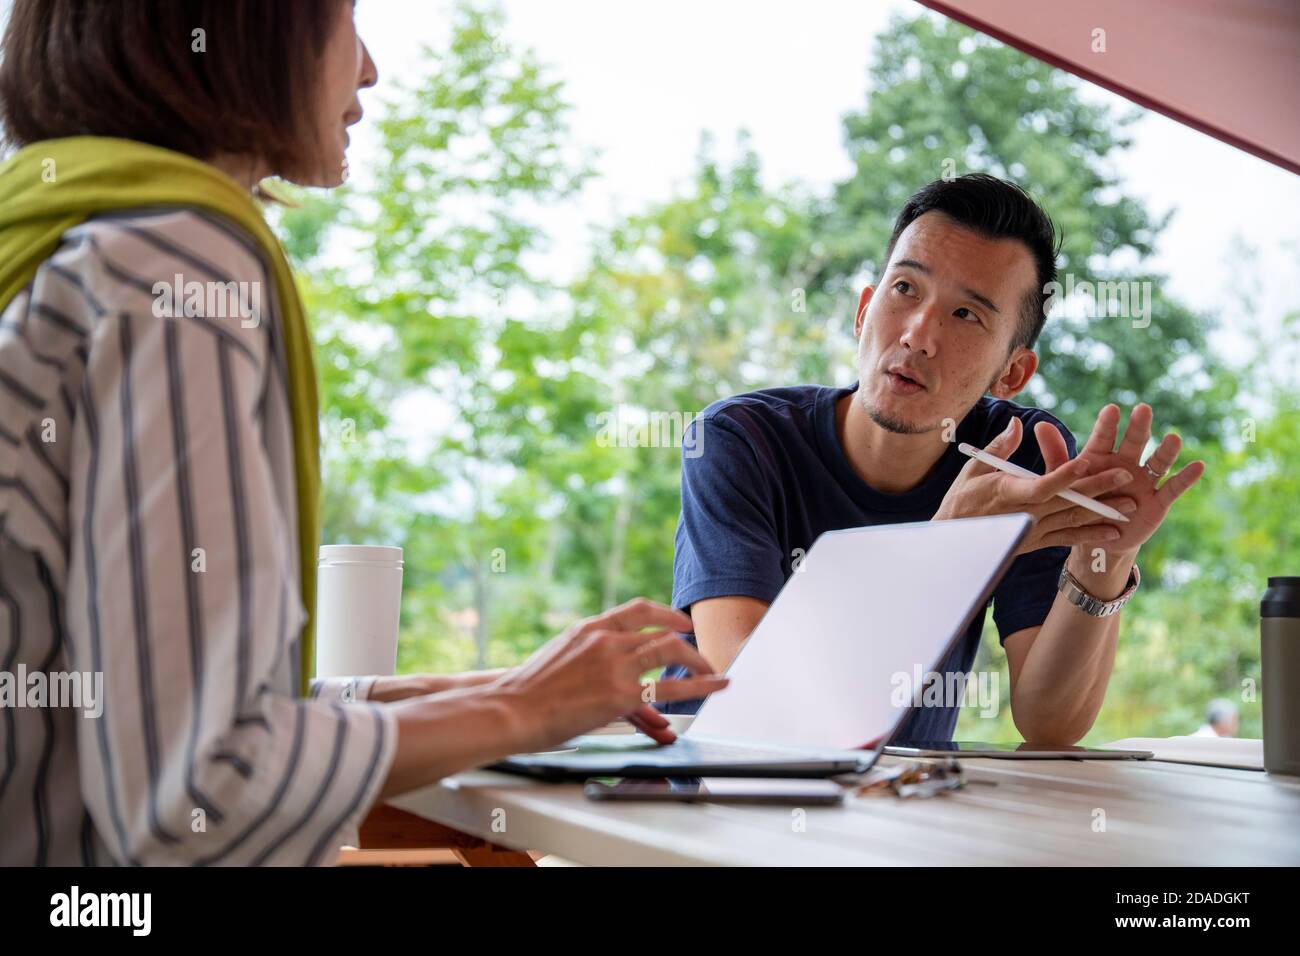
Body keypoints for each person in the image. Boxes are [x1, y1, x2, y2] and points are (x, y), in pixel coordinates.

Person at [0, 0, 727, 866]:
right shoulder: (176, 262)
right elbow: (200, 789)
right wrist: (523, 713)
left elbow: (154, 701)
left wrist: (502, 687)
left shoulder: (63, 240)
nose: (368, 71)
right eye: (347, 18)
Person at [660, 174, 1204, 747]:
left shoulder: (1021, 458)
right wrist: (945, 548)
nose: (919, 334)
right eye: (905, 290)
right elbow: (751, 697)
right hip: (708, 798)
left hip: (888, 811)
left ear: (1012, 373)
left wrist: (1106, 556)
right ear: (863, 311)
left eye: (967, 315)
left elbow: (1051, 723)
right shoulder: (740, 439)